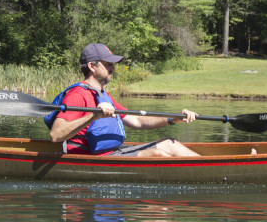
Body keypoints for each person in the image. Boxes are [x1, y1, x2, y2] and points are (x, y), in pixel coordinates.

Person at [48, 43, 200, 158]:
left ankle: (209, 168)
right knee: (156, 154)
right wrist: (94, 115)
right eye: (107, 64)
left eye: (112, 64)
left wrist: (174, 118)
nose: (112, 68)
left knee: (169, 143)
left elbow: (137, 121)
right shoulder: (77, 94)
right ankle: (199, 173)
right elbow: (55, 135)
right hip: (92, 158)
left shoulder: (103, 95)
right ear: (92, 66)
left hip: (113, 152)